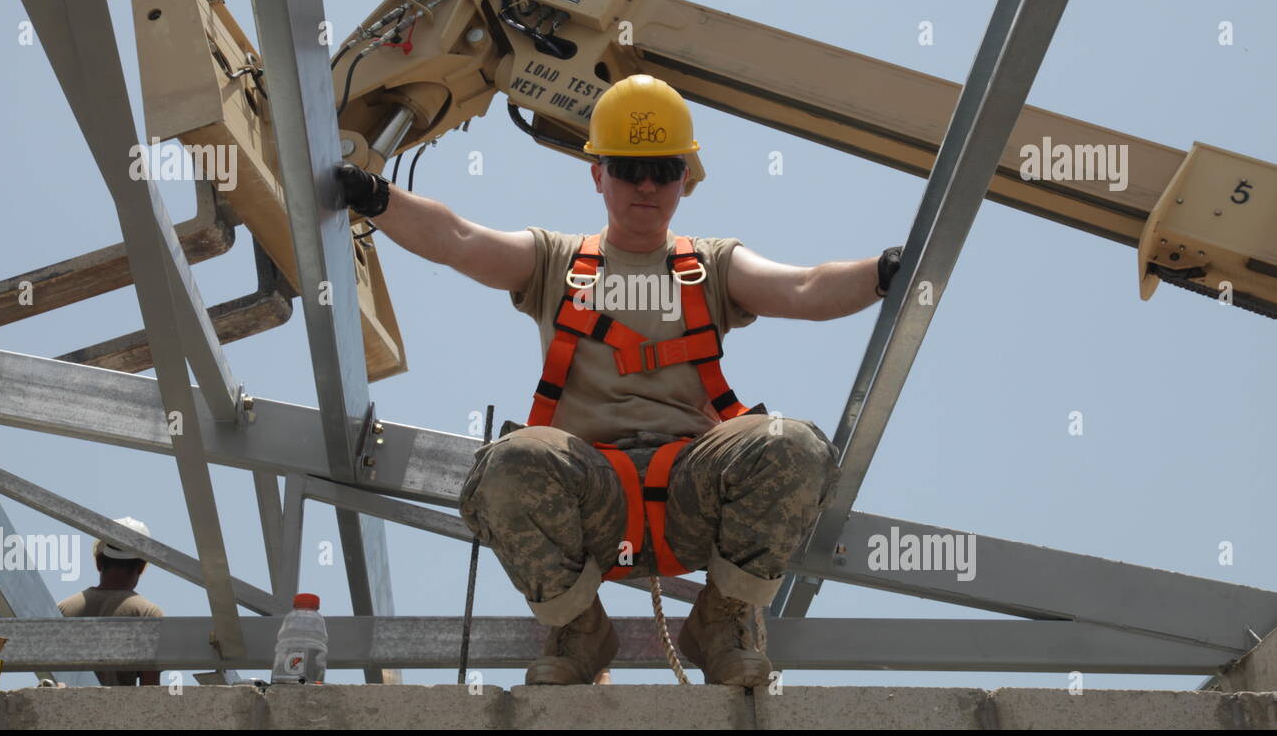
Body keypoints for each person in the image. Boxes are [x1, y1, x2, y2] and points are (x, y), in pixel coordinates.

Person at [338, 73, 902, 686]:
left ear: (685, 178)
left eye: (664, 169)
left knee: (791, 444)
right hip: (587, 499)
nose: (647, 185)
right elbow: (458, 238)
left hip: (693, 494)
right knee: (509, 462)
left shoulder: (710, 265)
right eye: (630, 169)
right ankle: (578, 629)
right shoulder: (554, 260)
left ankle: (724, 619)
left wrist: (880, 272)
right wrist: (376, 198)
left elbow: (804, 287)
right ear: (598, 174)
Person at [57, 517, 164, 686]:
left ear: (99, 562)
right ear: (141, 566)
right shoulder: (147, 614)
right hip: (121, 704)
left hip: (63, 703)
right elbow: (150, 689)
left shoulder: (63, 609)